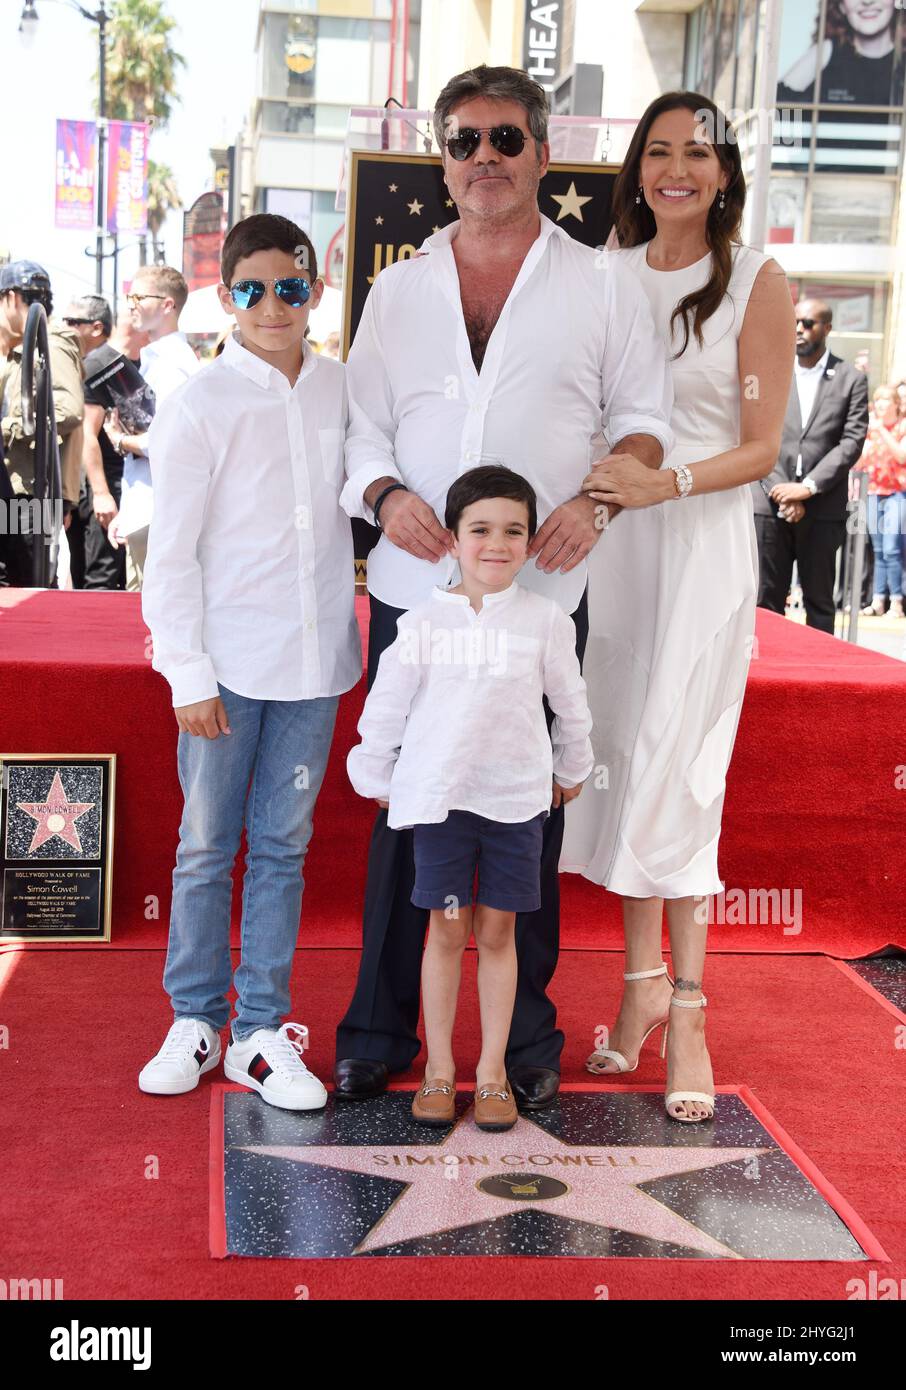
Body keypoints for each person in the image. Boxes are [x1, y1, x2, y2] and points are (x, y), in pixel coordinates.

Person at [334, 63, 672, 1110]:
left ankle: (523, 1044)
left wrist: (601, 503)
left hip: (544, 596)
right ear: (442, 160)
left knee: (525, 819)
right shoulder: (397, 289)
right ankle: (379, 1031)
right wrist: (385, 493)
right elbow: (360, 432)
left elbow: (646, 425)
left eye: (506, 140)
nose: (486, 157)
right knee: (408, 813)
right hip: (414, 590)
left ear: (542, 153)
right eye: (465, 141)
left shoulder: (606, 280)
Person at [561, 91, 796, 1123]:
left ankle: (689, 1007)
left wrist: (672, 484)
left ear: (725, 171)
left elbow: (762, 447)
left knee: (684, 773)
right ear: (636, 168)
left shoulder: (756, 280)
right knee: (622, 767)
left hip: (699, 550)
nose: (677, 170)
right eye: (658, 151)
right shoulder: (601, 278)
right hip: (616, 558)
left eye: (697, 152)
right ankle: (640, 985)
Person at [139, 213, 361, 1108]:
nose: (275, 305)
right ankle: (194, 1018)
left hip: (315, 666)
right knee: (204, 846)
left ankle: (260, 1031)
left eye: (293, 287)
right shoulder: (200, 401)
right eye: (254, 289)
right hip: (225, 669)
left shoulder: (344, 389)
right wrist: (186, 673)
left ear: (314, 290)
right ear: (227, 296)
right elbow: (172, 552)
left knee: (282, 848)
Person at [348, 466, 593, 1130]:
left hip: (515, 804)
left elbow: (571, 706)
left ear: (531, 541)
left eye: (514, 531)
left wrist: (573, 765)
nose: (497, 543)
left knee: (498, 931)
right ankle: (437, 1069)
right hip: (442, 803)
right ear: (453, 540)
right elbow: (387, 706)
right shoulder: (425, 622)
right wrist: (376, 775)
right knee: (447, 929)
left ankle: (490, 1072)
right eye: (480, 529)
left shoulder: (545, 620)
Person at [753, 298, 869, 634]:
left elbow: (851, 441)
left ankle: (820, 682)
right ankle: (769, 681)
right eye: (796, 322)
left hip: (822, 506)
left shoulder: (850, 378)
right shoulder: (768, 371)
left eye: (809, 323)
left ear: (827, 328)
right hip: (768, 502)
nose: (800, 329)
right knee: (765, 603)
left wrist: (807, 488)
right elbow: (753, 432)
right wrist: (782, 491)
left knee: (819, 605)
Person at [107, 265, 200, 590]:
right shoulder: (159, 357)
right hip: (148, 509)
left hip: (160, 513)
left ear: (167, 305)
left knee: (150, 619)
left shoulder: (173, 362)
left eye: (139, 296)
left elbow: (165, 442)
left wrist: (119, 439)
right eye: (130, 296)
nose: (131, 303)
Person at [0, 260, 84, 586]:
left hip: (30, 492)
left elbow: (67, 407)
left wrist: (9, 427)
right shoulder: (25, 345)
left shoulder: (51, 342)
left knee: (24, 586)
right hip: (21, 488)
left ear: (11, 297)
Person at [59, 294, 126, 590]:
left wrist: (100, 493)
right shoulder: (98, 361)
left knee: (98, 580)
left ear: (96, 328)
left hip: (100, 490)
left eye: (74, 322)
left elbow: (87, 433)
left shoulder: (97, 364)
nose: (66, 328)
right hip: (91, 490)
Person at [856, 384, 906, 618]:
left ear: (896, 404)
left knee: (892, 548)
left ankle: (896, 601)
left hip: (897, 493)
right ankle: (878, 600)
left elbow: (901, 454)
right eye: (878, 401)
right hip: (873, 492)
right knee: (877, 549)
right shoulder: (870, 429)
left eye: (886, 400)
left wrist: (881, 431)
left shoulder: (901, 427)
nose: (881, 405)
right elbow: (860, 461)